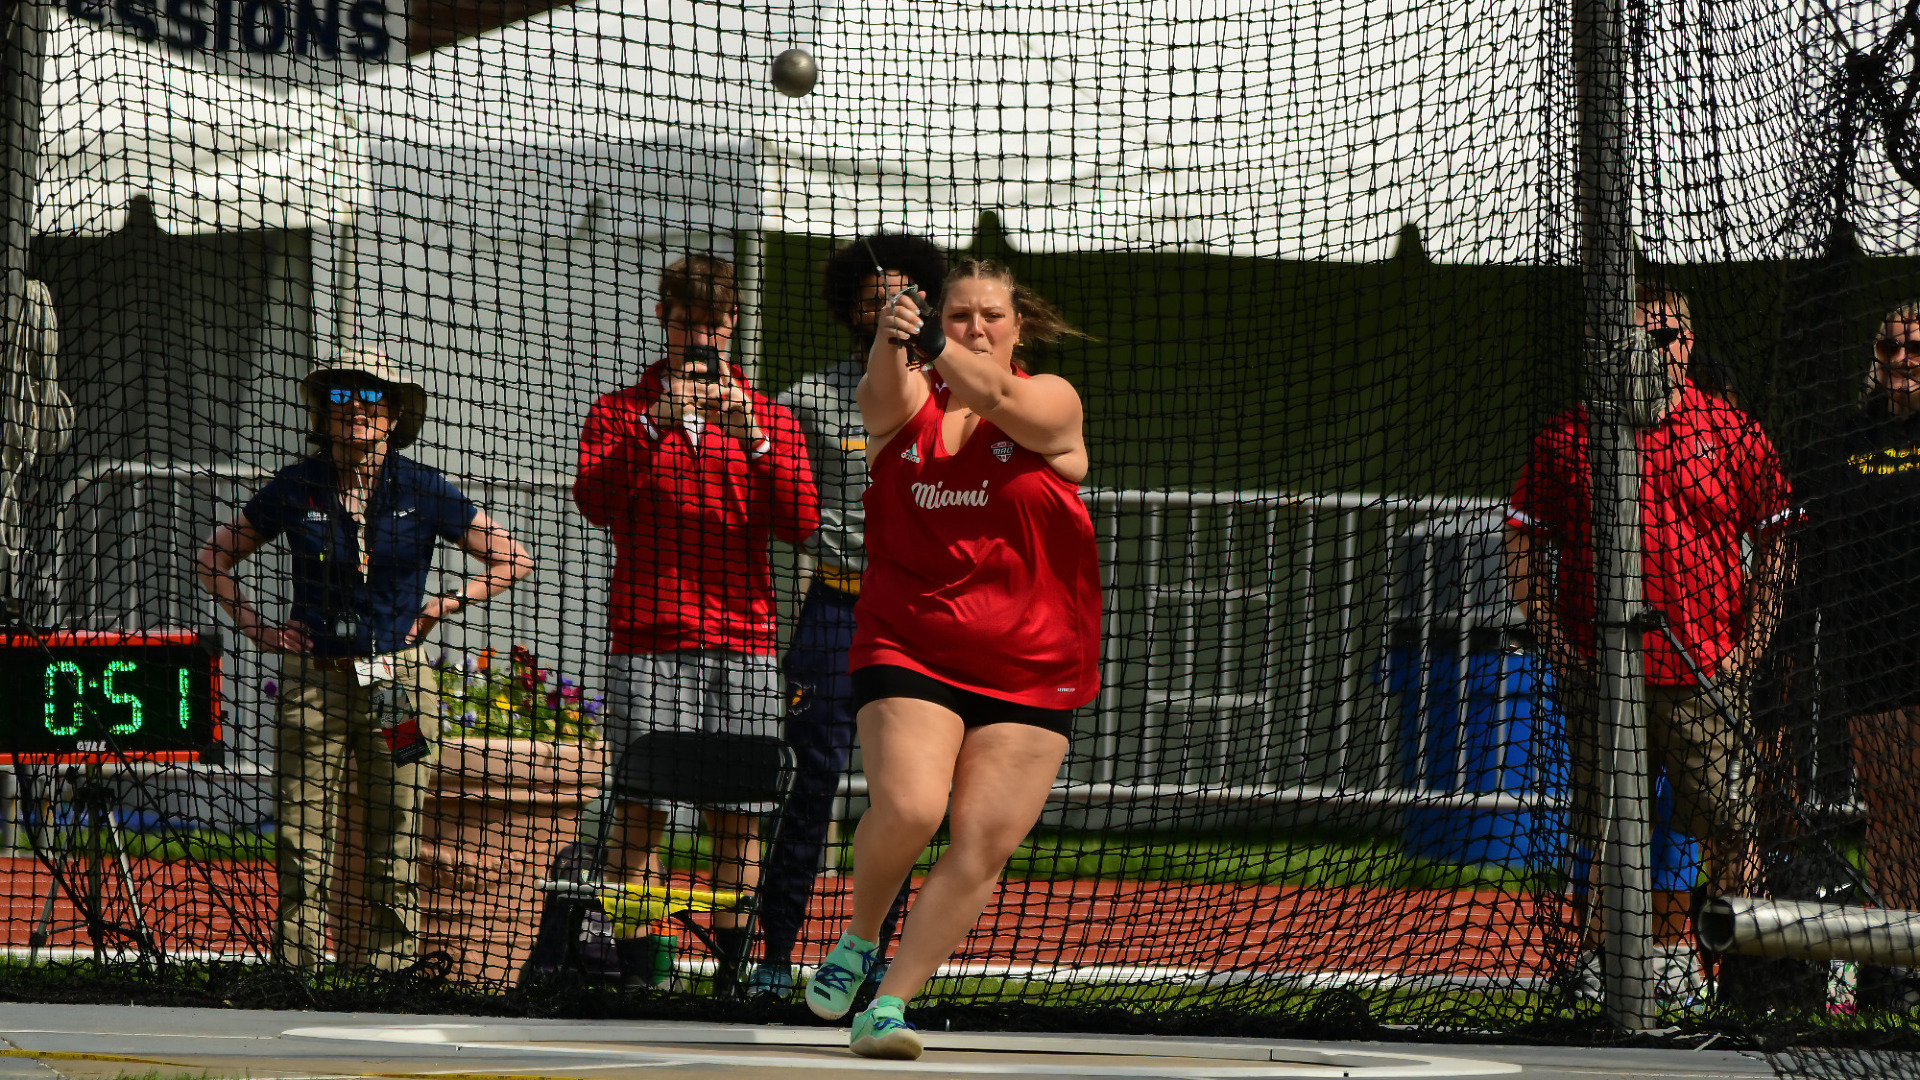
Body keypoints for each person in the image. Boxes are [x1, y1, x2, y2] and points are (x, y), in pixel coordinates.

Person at [802, 258, 1100, 1059]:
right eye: (959, 315)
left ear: (1019, 324)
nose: (974, 327)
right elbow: (880, 394)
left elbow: (998, 396)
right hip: (911, 640)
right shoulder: (905, 405)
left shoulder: (1051, 399)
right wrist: (889, 338)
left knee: (983, 840)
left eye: (989, 316)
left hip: (1034, 659)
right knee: (910, 808)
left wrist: (930, 334)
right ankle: (861, 937)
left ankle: (889, 1007)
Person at [1503, 282, 1795, 1010]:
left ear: (1689, 344)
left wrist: (1750, 644)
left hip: (1702, 673)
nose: (1651, 350)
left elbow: (1781, 532)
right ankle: (1608, 969)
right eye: (1634, 337)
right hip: (1604, 678)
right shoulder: (1571, 435)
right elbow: (1521, 534)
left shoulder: (1729, 431)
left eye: (1665, 336)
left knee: (1730, 832)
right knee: (1607, 830)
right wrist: (1549, 630)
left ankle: (1738, 978)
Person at [194, 347, 533, 971]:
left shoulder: (424, 488)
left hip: (391, 680)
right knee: (301, 834)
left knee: (397, 824)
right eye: (340, 399)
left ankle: (390, 969)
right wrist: (258, 629)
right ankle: (298, 967)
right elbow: (212, 559)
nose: (354, 412)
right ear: (322, 414)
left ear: (394, 412)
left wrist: (444, 606)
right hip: (314, 681)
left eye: (370, 398)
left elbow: (515, 560)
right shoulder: (297, 485)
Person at [572, 253, 819, 989]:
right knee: (642, 811)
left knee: (737, 817)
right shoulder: (620, 410)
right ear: (663, 322)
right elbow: (596, 502)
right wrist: (656, 425)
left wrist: (755, 440)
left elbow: (802, 522)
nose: (699, 340)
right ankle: (639, 970)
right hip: (650, 636)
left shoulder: (768, 415)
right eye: (685, 324)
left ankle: (731, 972)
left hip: (743, 642)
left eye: (712, 324)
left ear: (733, 323)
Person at [744, 233, 945, 1002]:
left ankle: (872, 961)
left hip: (919, 617)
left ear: (923, 298)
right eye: (869, 292)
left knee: (906, 797)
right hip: (835, 607)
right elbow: (784, 500)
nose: (885, 301)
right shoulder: (810, 398)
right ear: (849, 308)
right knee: (812, 778)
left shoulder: (951, 388)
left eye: (898, 289)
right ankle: (774, 954)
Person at [1801, 300, 1920, 1009]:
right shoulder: (1849, 438)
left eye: (1915, 347)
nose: (1902, 360)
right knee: (1893, 810)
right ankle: (1893, 966)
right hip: (1873, 649)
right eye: (1889, 347)